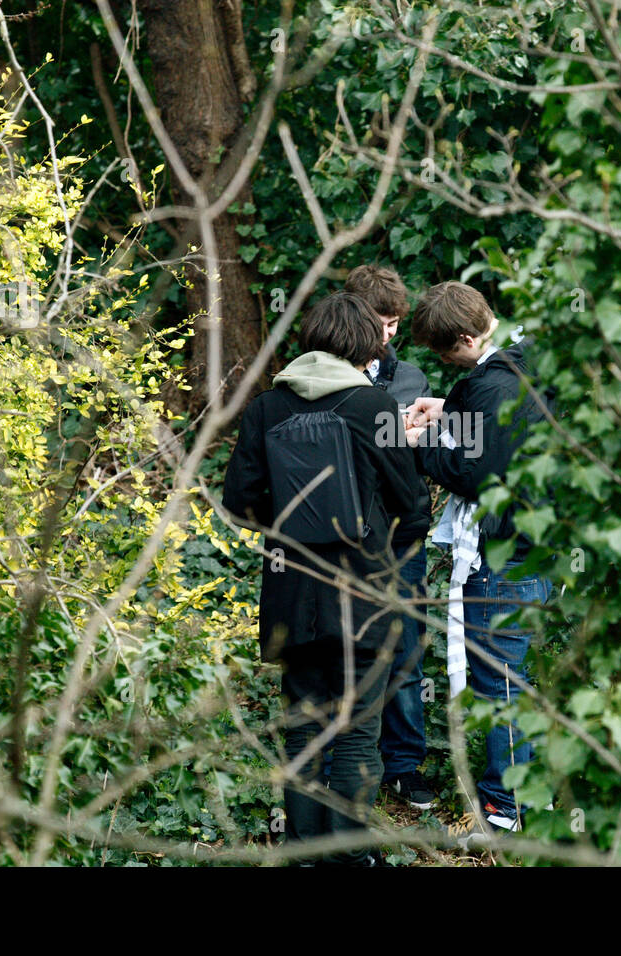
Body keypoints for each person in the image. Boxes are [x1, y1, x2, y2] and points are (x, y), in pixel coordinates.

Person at [221, 292, 419, 865]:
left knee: (304, 727)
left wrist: (287, 531)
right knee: (358, 729)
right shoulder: (374, 407)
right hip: (365, 591)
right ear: (363, 343)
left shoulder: (265, 409)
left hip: (292, 594)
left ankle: (302, 853)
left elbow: (238, 501)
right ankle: (351, 856)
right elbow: (410, 499)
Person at [406, 281, 552, 836]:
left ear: (467, 338)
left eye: (447, 354)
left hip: (503, 549)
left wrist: (420, 443)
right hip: (541, 542)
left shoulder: (491, 385)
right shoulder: (533, 356)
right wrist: (447, 408)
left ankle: (504, 812)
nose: (444, 362)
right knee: (514, 674)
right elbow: (506, 428)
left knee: (501, 681)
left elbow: (475, 471)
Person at [344, 264, 437, 810]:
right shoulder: (321, 376)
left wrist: (416, 441)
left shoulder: (411, 381)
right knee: (346, 648)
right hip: (343, 536)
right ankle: (346, 762)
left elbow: (428, 459)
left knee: (403, 649)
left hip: (402, 537)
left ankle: (404, 765)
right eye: (381, 323)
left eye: (395, 323)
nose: (389, 334)